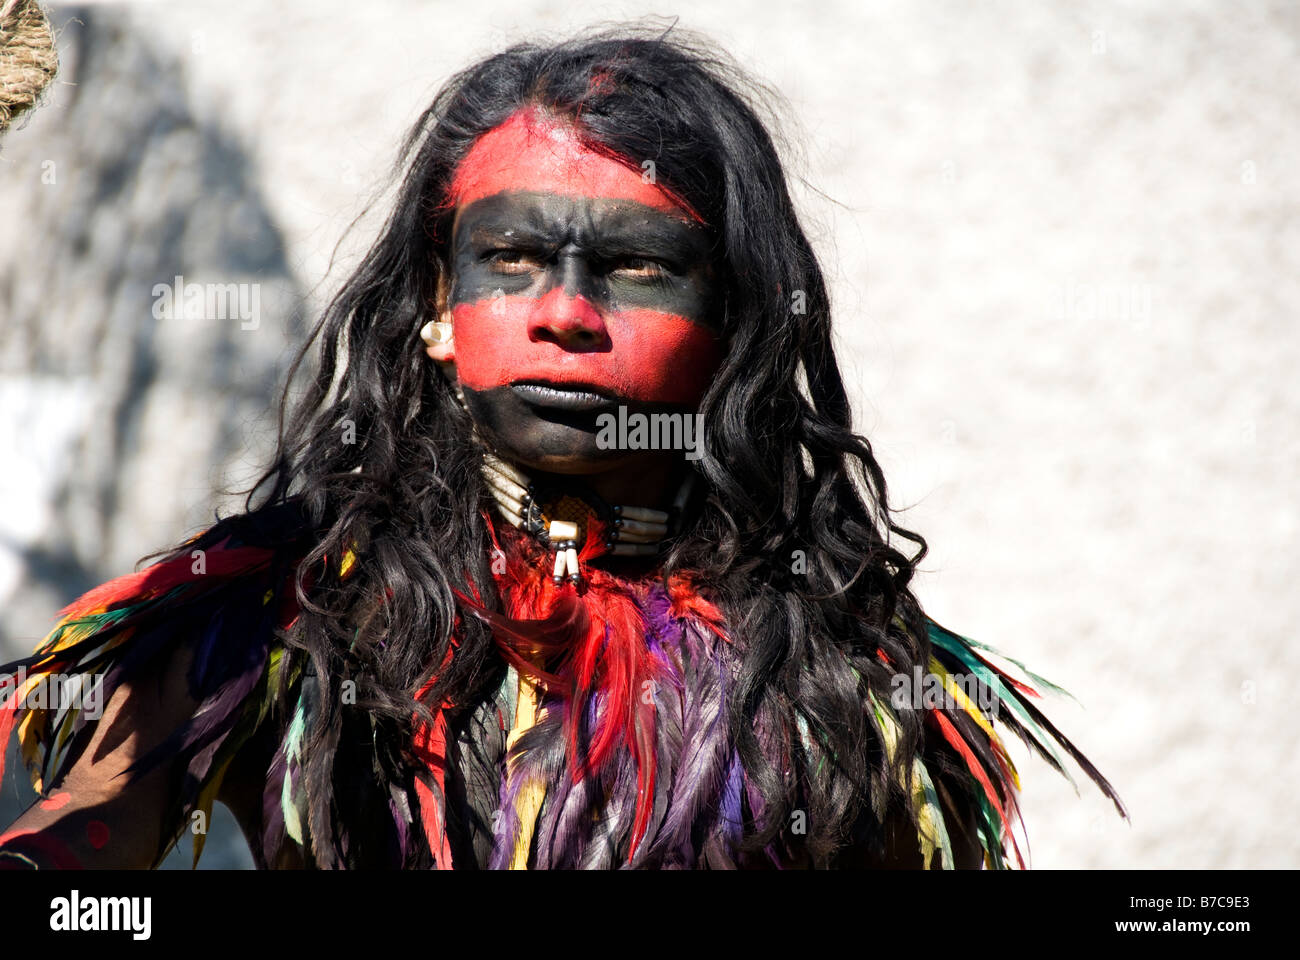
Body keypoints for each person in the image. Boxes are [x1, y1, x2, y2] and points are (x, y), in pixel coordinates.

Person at [0, 25, 1126, 870]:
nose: (566, 313)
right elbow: (78, 859)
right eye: (513, 257)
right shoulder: (281, 613)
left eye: (638, 267)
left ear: (728, 323)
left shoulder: (851, 674)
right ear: (437, 307)